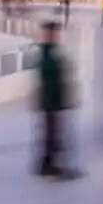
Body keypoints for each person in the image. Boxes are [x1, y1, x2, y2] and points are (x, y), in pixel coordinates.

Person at [35, 21, 75, 179]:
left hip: (55, 101)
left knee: (54, 133)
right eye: (52, 33)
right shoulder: (47, 55)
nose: (55, 36)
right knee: (50, 134)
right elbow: (49, 79)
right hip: (50, 101)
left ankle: (49, 163)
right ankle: (47, 165)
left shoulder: (51, 53)